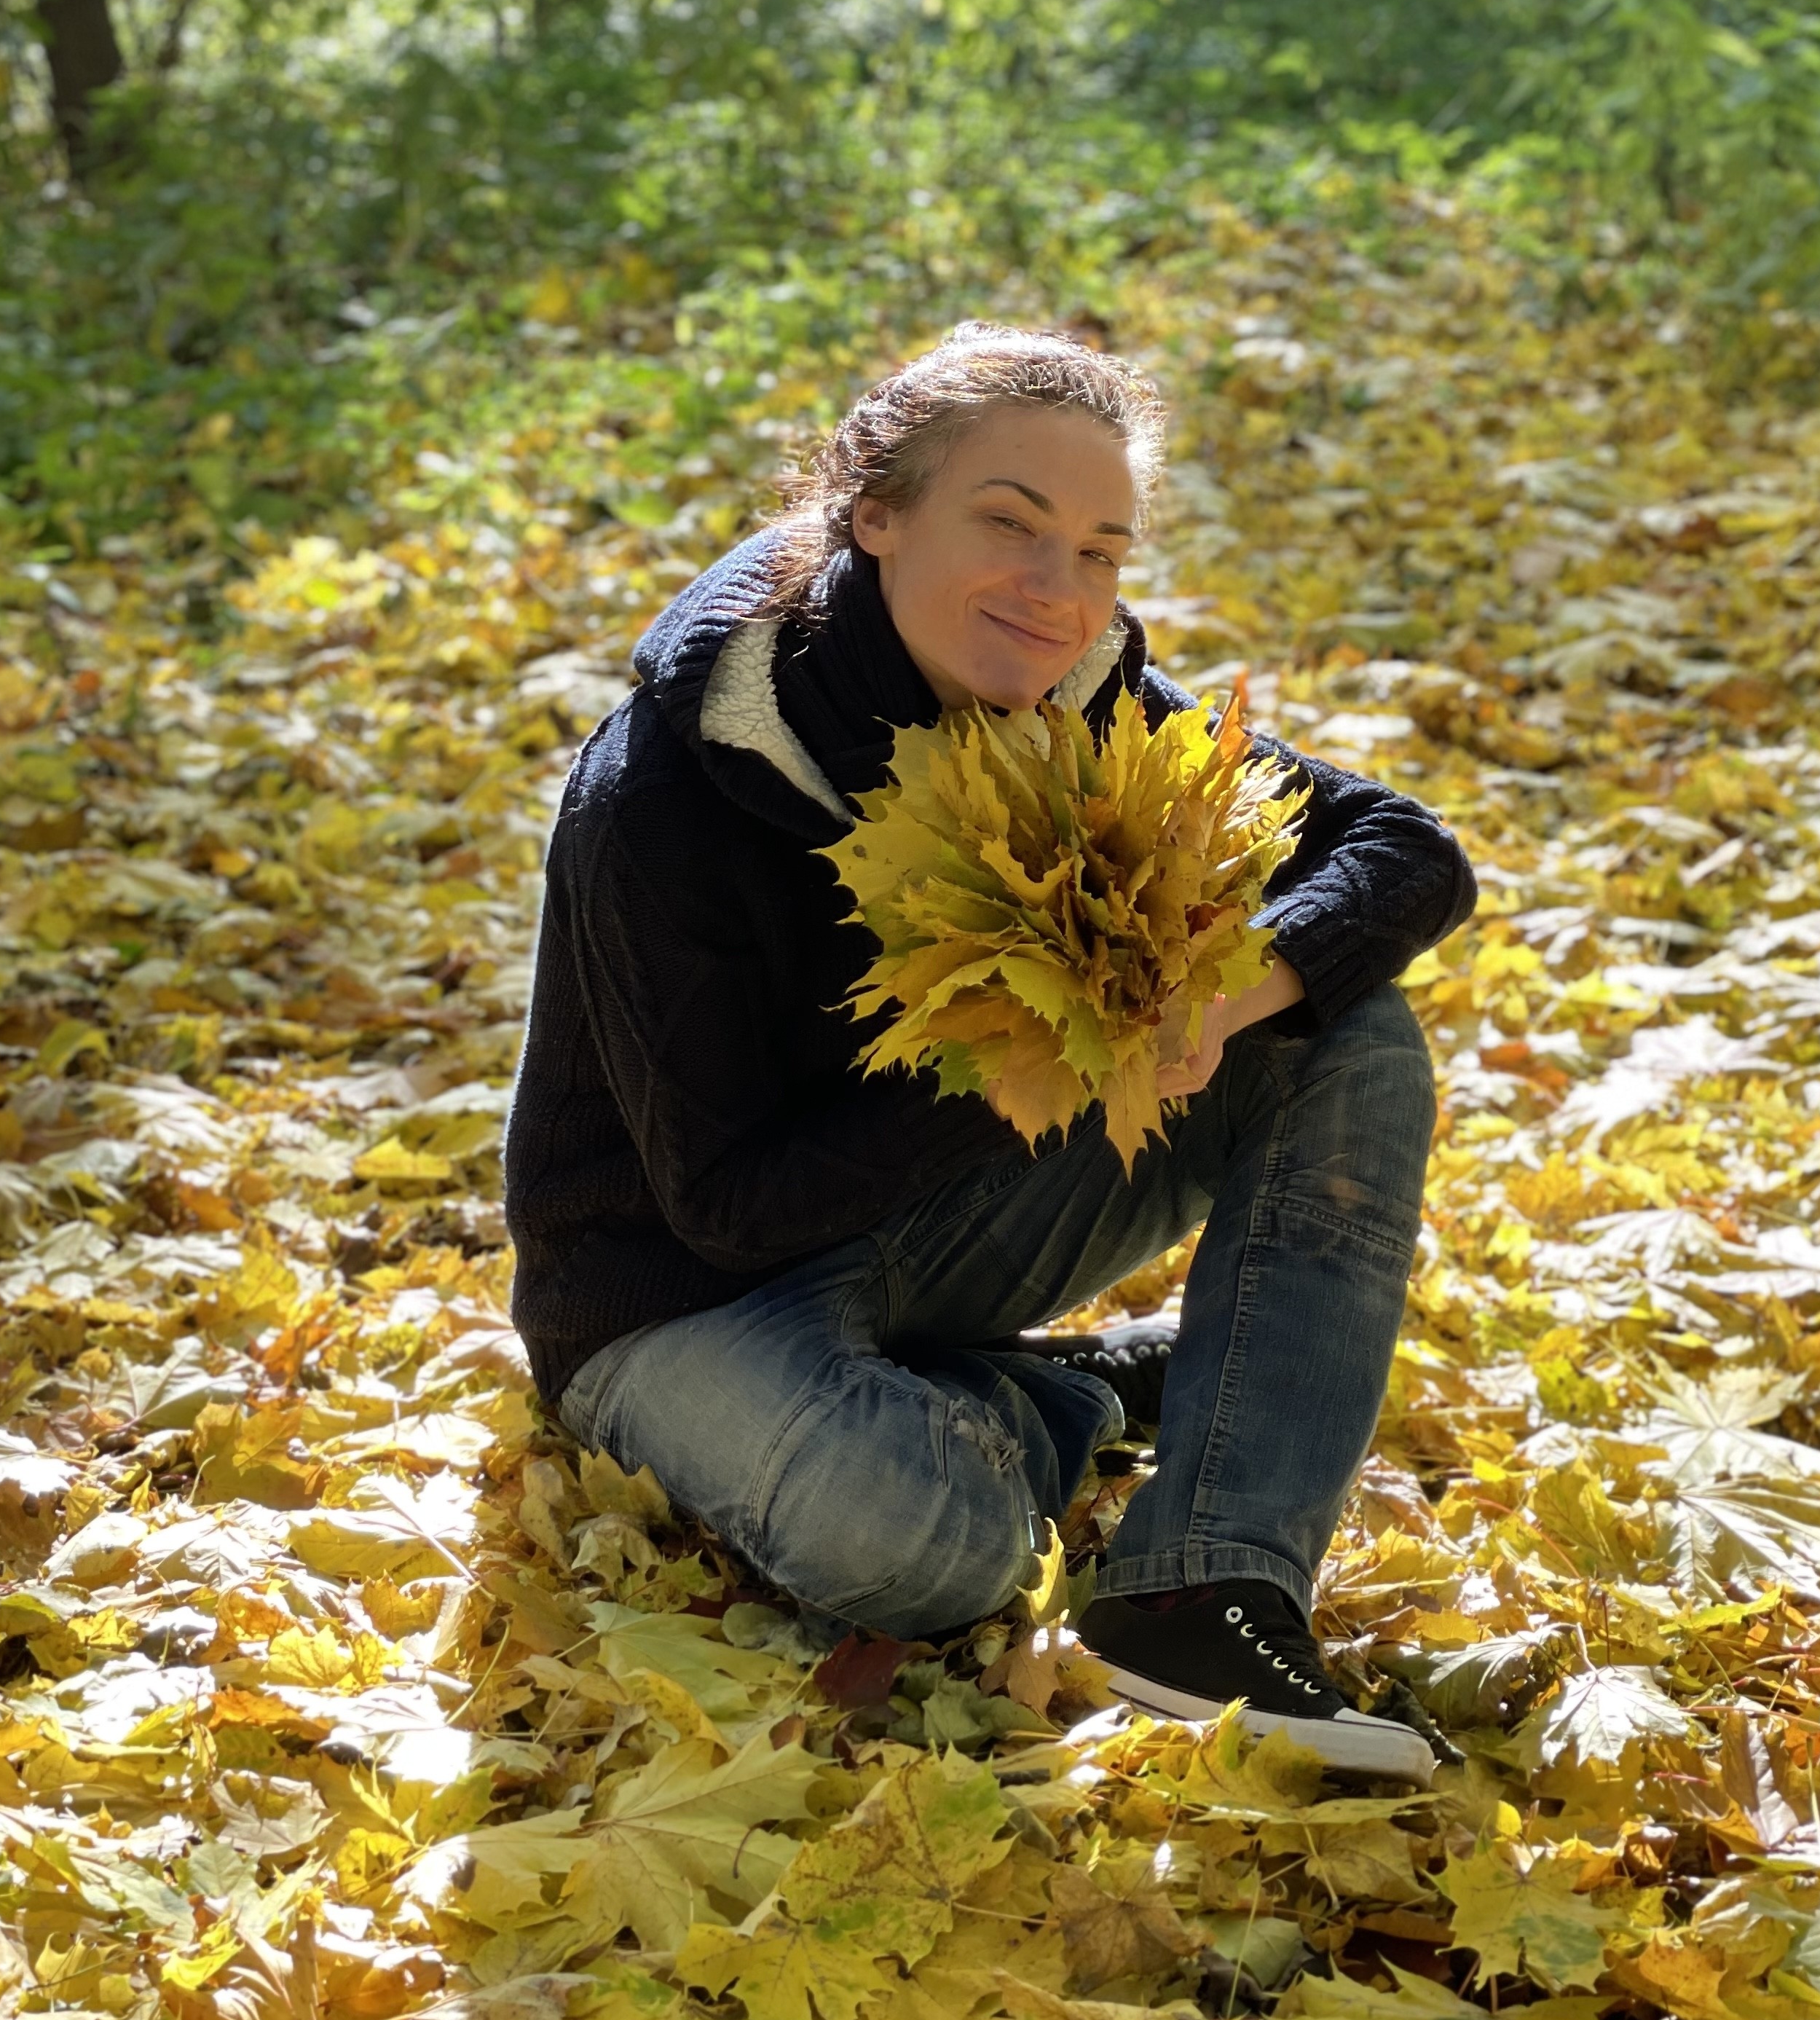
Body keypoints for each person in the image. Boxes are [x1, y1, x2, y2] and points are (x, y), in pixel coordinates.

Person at [504, 323, 1476, 1783]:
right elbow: (728, 1207)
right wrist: (1024, 1033)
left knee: (1348, 1030)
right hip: (675, 1301)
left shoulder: (1082, 712)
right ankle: (1072, 1396)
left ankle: (1206, 1583)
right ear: (875, 515)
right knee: (925, 1548)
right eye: (1011, 526)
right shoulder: (672, 783)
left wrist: (1212, 1003)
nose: (1057, 594)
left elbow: (1409, 850)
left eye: (1100, 552)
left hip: (929, 1229)